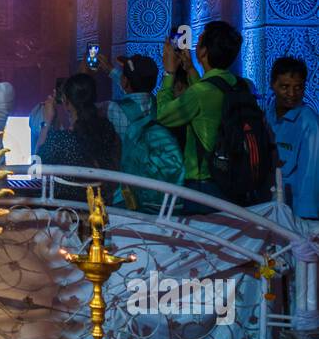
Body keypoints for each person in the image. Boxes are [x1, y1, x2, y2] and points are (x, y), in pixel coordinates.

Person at [156, 21, 273, 207]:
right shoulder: (242, 85)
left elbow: (163, 115)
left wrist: (169, 73)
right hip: (235, 180)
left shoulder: (199, 93)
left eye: (199, 41)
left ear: (203, 52)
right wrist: (191, 70)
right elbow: (208, 96)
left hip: (204, 185)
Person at [102, 54, 185, 210]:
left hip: (125, 196)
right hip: (159, 197)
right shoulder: (161, 107)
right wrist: (113, 71)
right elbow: (134, 88)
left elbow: (80, 106)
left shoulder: (112, 109)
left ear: (125, 81)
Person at [37, 72, 120, 200]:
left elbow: (36, 166)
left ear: (66, 102)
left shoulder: (64, 140)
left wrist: (47, 121)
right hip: (101, 209)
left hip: (67, 212)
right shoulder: (108, 131)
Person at [265, 57, 319, 221]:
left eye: (298, 87)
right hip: (269, 205)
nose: (292, 94)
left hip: (295, 212)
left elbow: (311, 174)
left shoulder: (308, 122)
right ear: (272, 84)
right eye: (285, 87)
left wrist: (305, 219)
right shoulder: (267, 114)